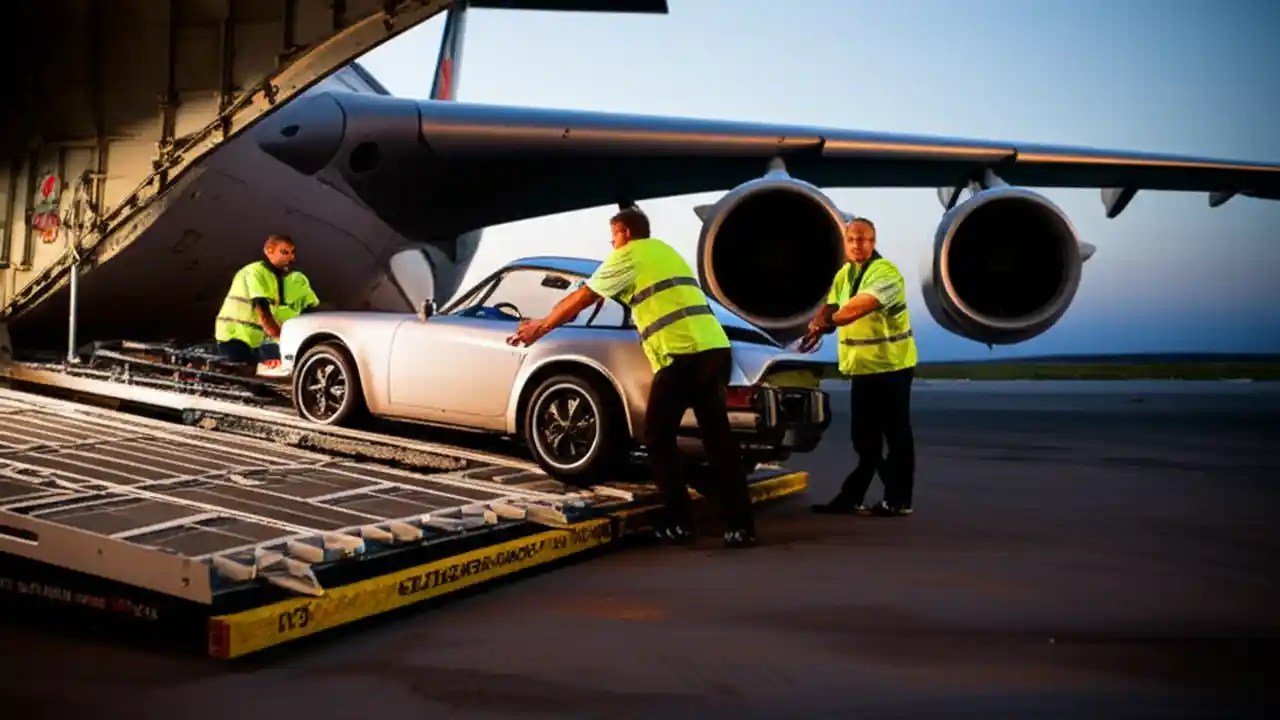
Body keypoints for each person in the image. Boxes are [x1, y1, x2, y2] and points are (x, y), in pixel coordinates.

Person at [506, 207, 757, 549]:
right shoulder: (665, 252)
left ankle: (678, 521)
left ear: (624, 232)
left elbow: (584, 297)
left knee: (657, 437)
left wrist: (541, 326)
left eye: (613, 239)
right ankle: (740, 527)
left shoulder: (628, 255)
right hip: (714, 350)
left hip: (681, 357)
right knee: (718, 442)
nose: (612, 246)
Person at [802, 216, 918, 517]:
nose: (858, 244)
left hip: (891, 368)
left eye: (864, 239)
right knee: (863, 439)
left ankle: (898, 499)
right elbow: (832, 306)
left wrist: (829, 319)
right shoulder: (845, 274)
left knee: (896, 437)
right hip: (863, 370)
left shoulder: (886, 274)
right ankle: (854, 498)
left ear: (873, 242)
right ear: (846, 242)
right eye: (852, 239)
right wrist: (817, 326)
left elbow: (858, 307)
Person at [213, 233, 319, 373]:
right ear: (269, 250)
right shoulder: (256, 272)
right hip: (234, 335)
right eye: (284, 252)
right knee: (245, 375)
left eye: (293, 253)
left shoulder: (274, 277)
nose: (291, 258)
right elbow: (264, 314)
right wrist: (283, 341)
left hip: (252, 339)